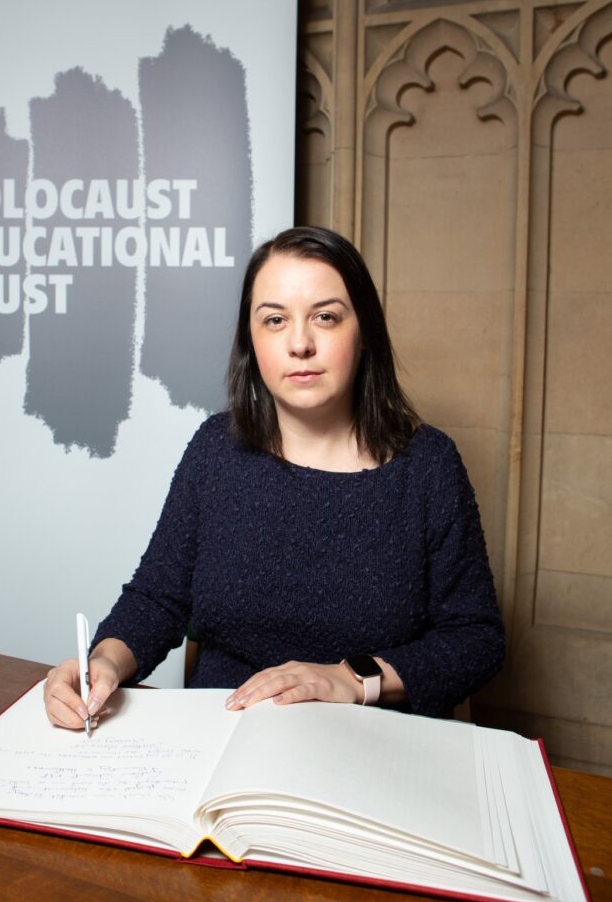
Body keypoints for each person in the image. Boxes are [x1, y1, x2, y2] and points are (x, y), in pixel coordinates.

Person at [44, 226, 504, 730]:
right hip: (221, 735)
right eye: (275, 320)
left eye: (325, 317)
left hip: (374, 744)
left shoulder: (428, 466)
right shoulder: (216, 448)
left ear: (364, 330)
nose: (300, 344)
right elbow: (158, 597)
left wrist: (351, 679)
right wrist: (103, 664)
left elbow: (474, 638)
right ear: (251, 339)